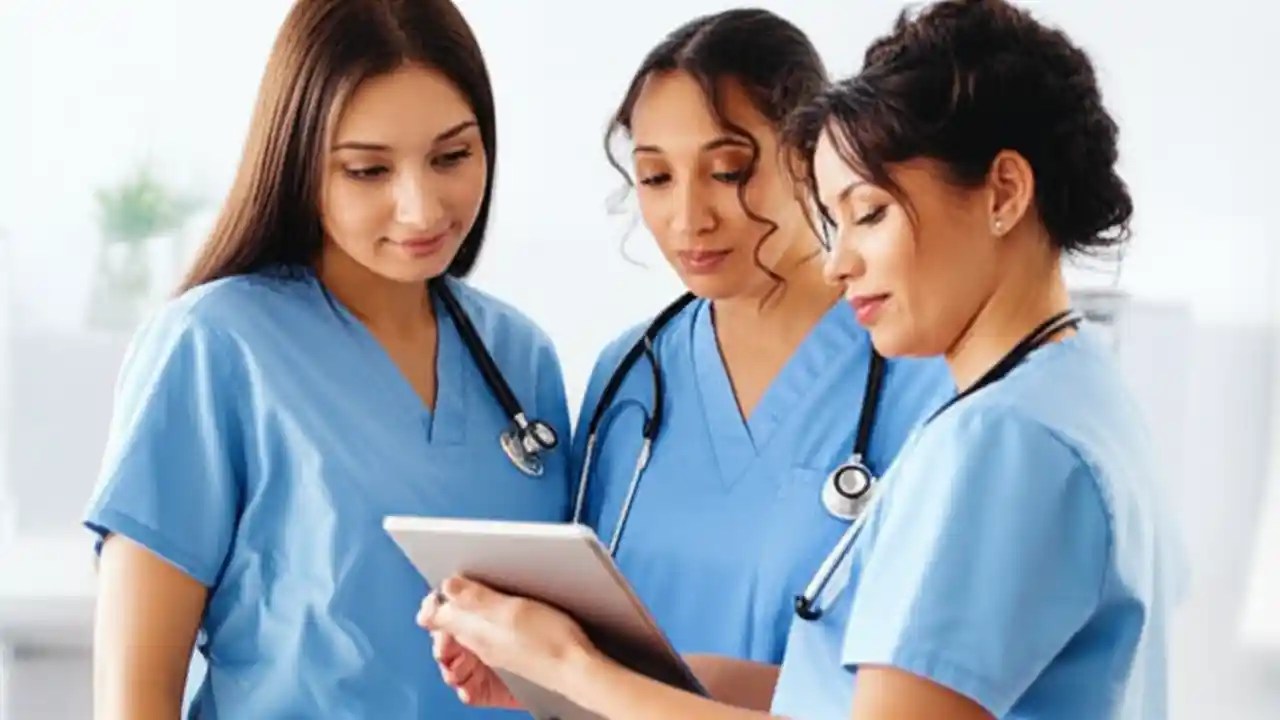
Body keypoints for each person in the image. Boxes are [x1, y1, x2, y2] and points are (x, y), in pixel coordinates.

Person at [417, 1, 1181, 718]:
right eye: (836, 218)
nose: (840, 261)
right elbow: (831, 695)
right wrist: (563, 665)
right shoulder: (1074, 390)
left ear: (1004, 193)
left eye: (871, 214)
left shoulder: (1003, 440)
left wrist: (575, 669)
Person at [83, 0, 570, 717]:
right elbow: (134, 698)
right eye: (368, 170)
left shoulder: (520, 358)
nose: (421, 208)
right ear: (298, 164)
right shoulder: (214, 346)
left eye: (452, 157)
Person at [566, 8, 953, 708]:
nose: (689, 218)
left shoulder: (925, 379)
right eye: (656, 177)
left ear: (811, 158)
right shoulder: (627, 377)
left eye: (728, 171)